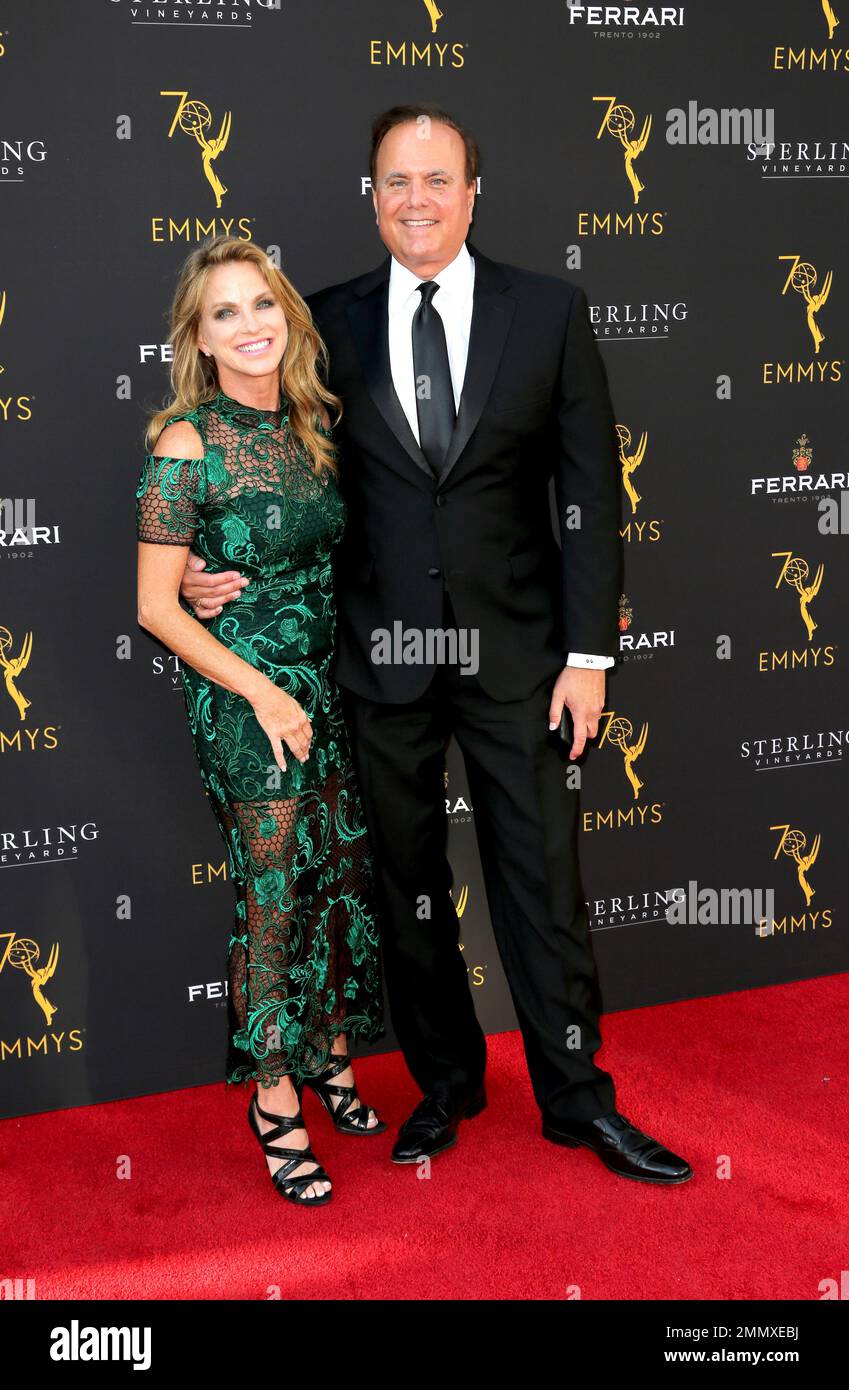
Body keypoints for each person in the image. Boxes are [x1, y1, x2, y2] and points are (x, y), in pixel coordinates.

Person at [180, 106, 693, 1186]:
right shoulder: (324, 323)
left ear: (473, 191)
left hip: (521, 663)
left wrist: (590, 658)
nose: (416, 198)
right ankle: (446, 1085)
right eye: (395, 181)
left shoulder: (548, 312)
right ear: (371, 194)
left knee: (542, 886)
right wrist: (192, 557)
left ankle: (576, 1098)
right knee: (407, 892)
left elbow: (592, 497)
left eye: (437, 179)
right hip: (379, 665)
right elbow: (263, 462)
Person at [135, 237, 386, 1208]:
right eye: (224, 313)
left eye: (261, 305)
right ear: (198, 339)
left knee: (336, 876)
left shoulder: (312, 422)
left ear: (288, 316)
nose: (250, 326)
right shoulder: (184, 442)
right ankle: (274, 1095)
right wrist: (262, 690)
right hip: (244, 696)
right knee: (273, 892)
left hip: (324, 686)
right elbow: (158, 605)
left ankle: (327, 1053)